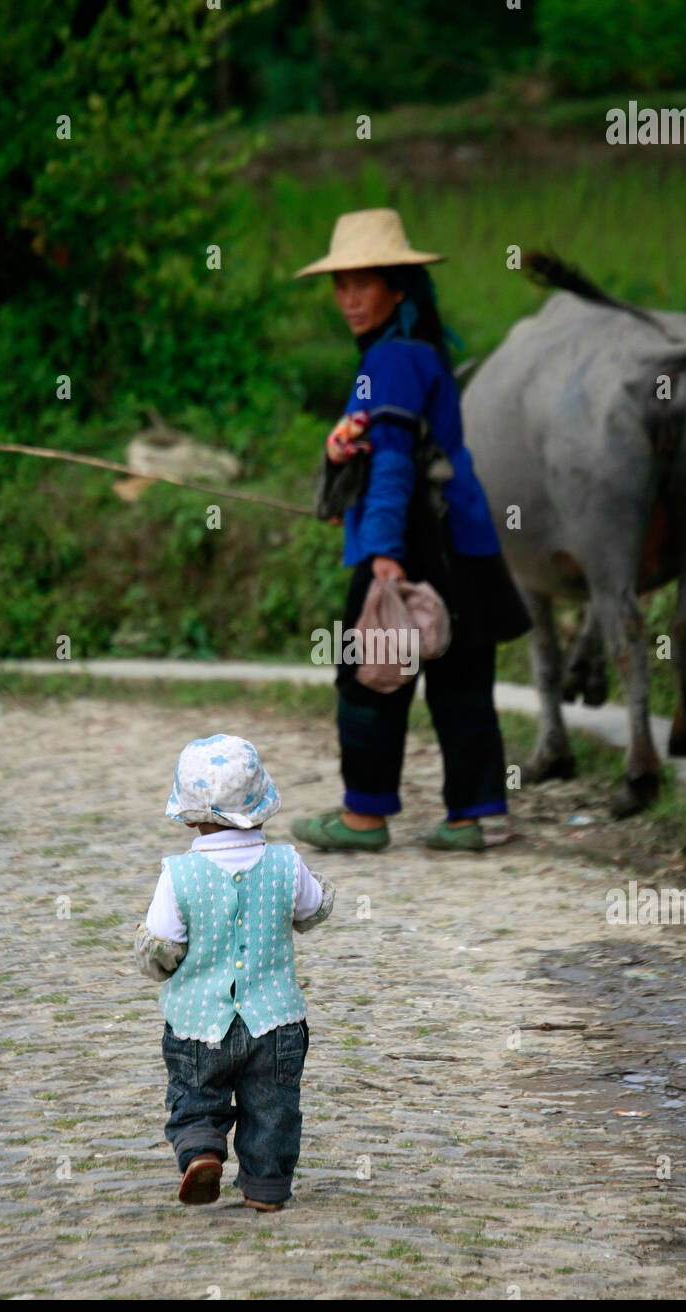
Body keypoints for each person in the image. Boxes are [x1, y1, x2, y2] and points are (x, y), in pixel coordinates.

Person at [291, 208, 532, 854]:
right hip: (462, 536)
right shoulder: (418, 351)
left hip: (413, 538)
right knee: (460, 676)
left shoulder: (391, 359)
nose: (349, 299)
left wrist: (382, 551)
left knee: (368, 671)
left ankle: (363, 818)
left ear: (397, 289)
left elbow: (395, 461)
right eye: (341, 286)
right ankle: (473, 818)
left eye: (362, 284)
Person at [134, 734, 335, 1210]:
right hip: (276, 1023)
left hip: (198, 1023)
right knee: (273, 1107)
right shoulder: (286, 863)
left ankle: (202, 1150)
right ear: (264, 805)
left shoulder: (178, 874)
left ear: (189, 816)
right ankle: (266, 1189)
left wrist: (158, 965)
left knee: (195, 1093)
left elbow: (161, 943)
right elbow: (313, 909)